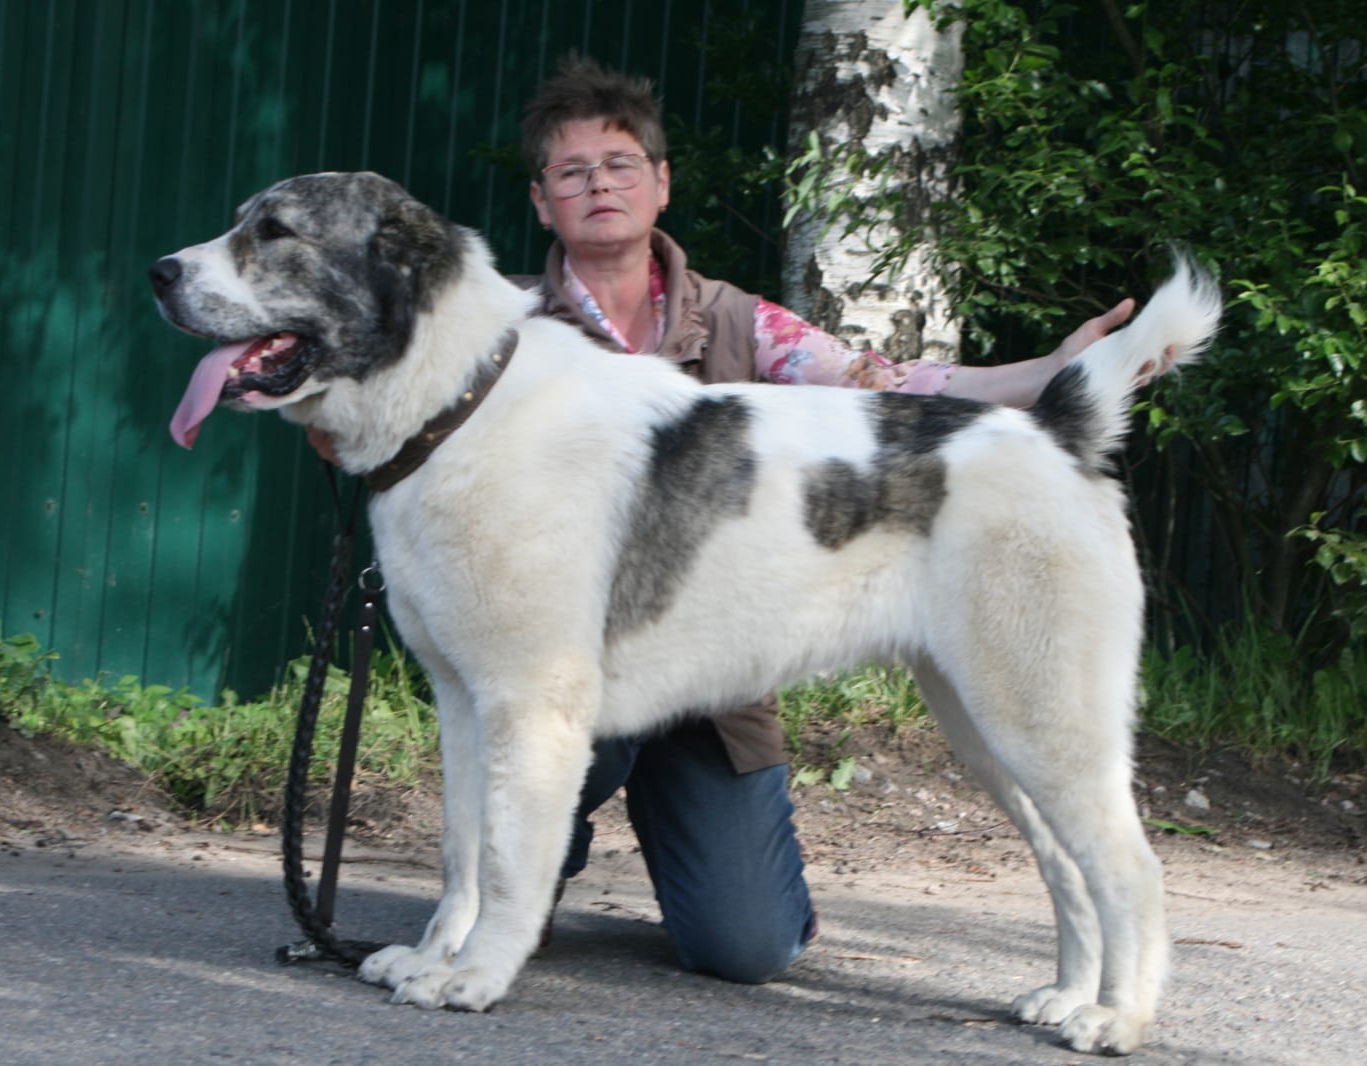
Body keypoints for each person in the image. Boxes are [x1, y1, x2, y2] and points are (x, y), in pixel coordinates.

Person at [311, 55, 1143, 986]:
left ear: (660, 183)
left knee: (747, 946)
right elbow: (383, 406)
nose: (599, 186)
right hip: (584, 676)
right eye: (571, 172)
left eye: (620, 164)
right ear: (542, 202)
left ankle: (1126, 967)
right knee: (524, 713)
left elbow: (893, 392)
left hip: (715, 699)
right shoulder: (492, 339)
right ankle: (496, 912)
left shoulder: (741, 323)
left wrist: (1050, 377)